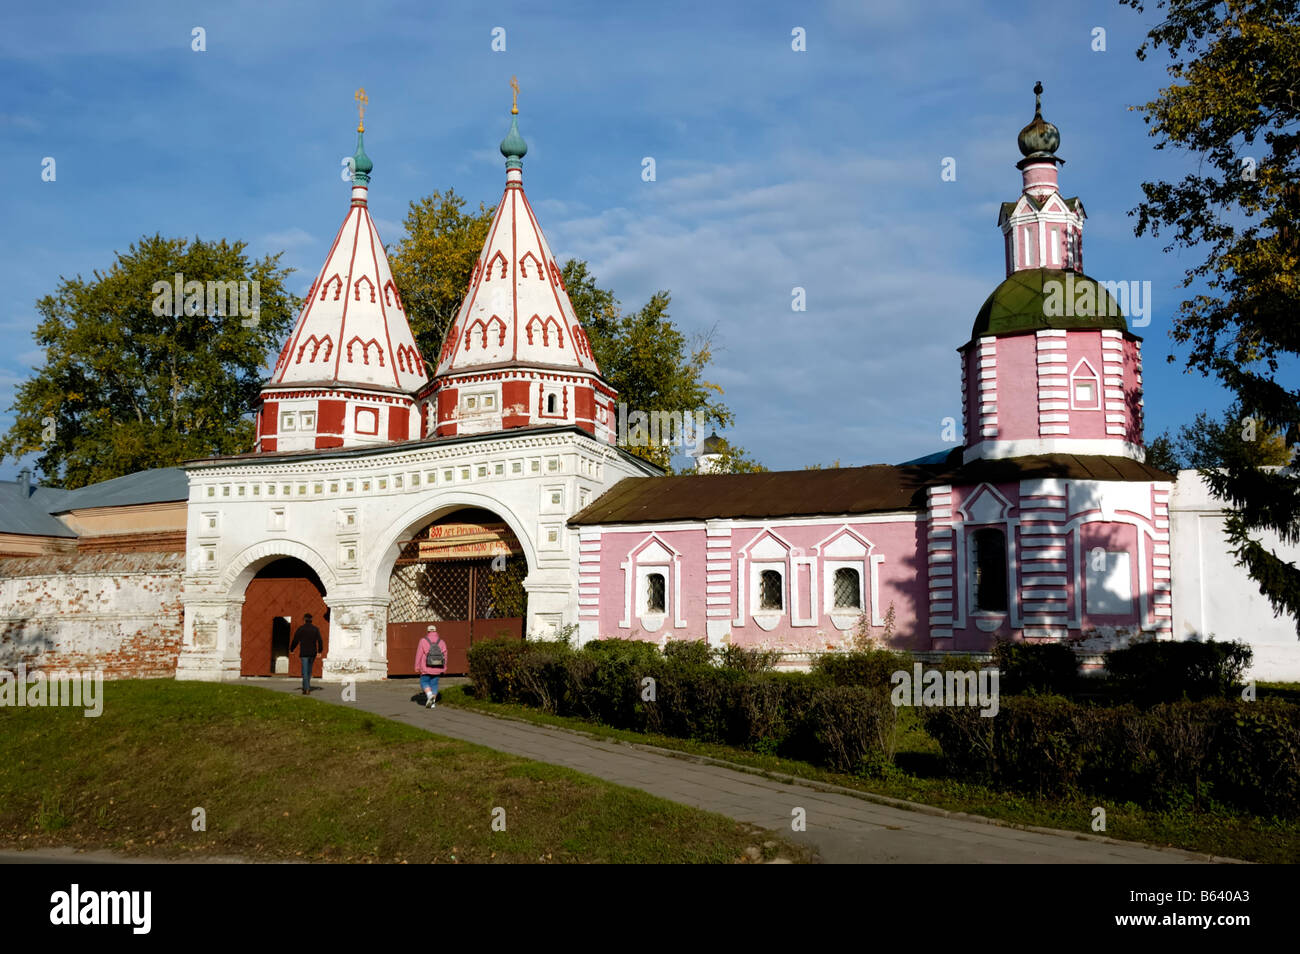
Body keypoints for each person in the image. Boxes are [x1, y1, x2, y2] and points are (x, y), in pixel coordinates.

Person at [289, 613, 323, 695]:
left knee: (304, 671)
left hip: (304, 653)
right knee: (309, 671)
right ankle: (305, 688)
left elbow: (295, 640)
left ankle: (307, 689)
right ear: (311, 620)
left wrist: (292, 649)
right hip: (312, 653)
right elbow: (320, 641)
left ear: (304, 620)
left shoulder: (301, 629)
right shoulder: (315, 629)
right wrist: (319, 651)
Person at [414, 625, 448, 709]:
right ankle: (432, 704)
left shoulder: (423, 641)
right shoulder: (442, 642)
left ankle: (429, 696)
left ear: (428, 631)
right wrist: (445, 667)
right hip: (438, 667)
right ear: (436, 631)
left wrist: (417, 666)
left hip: (426, 667)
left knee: (424, 682)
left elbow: (419, 654)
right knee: (434, 684)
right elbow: (445, 656)